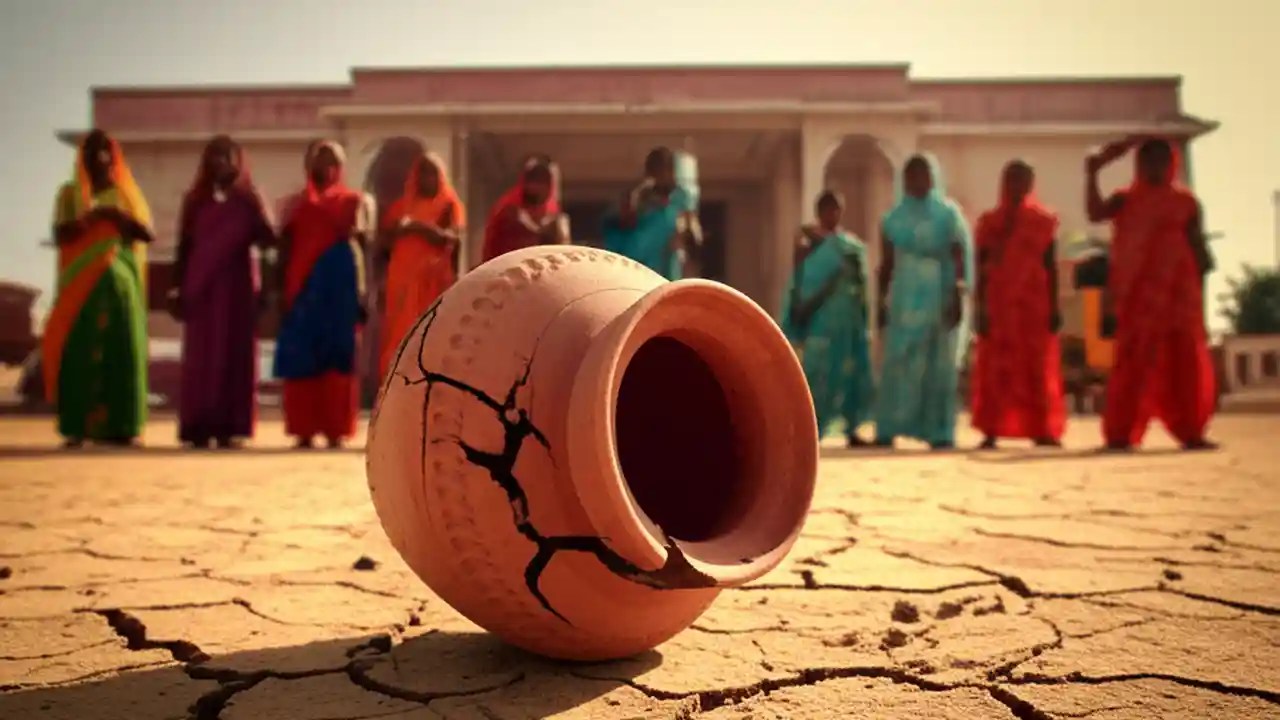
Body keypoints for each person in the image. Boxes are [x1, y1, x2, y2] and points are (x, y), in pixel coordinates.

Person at [1086, 136, 1216, 451]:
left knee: (1184, 362)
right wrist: (1092, 173)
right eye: (1147, 161)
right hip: (1139, 297)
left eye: (1160, 161)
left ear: (1171, 163)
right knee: (1133, 362)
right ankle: (1120, 432)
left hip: (1178, 295)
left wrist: (1202, 304)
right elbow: (1095, 213)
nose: (1154, 168)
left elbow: (1200, 253)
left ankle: (1191, 430)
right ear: (1138, 165)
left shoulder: (1187, 203)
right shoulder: (1125, 200)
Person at [42, 129, 154, 448]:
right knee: (78, 352)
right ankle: (76, 427)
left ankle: (123, 427)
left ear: (114, 156)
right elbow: (61, 234)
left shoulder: (126, 194)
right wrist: (89, 220)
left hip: (121, 288)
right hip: (81, 287)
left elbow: (146, 234)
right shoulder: (69, 194)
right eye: (92, 151)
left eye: (105, 150)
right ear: (83, 158)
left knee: (122, 353)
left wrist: (115, 215)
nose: (100, 157)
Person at [169, 135, 275, 449]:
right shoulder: (195, 200)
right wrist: (176, 287)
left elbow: (269, 240)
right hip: (201, 288)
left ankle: (231, 426)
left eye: (227, 156)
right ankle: (198, 426)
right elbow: (184, 246)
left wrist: (257, 204)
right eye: (215, 156)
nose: (221, 163)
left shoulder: (248, 200)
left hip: (237, 289)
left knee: (234, 355)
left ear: (238, 161)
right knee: (202, 357)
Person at [273, 140, 373, 449]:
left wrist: (364, 294)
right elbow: (283, 249)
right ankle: (303, 430)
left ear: (341, 168)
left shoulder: (354, 202)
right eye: (320, 159)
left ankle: (336, 430)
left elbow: (365, 247)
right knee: (302, 359)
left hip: (340, 289)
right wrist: (278, 292)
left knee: (337, 359)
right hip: (303, 289)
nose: (325, 167)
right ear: (308, 165)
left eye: (332, 161)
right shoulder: (294, 205)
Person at [873, 154, 973, 450]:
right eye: (911, 175)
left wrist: (957, 295)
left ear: (933, 177)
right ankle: (890, 427)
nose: (916, 181)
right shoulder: (893, 218)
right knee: (899, 360)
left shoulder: (948, 215)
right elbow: (886, 264)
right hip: (905, 297)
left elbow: (958, 257)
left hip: (939, 292)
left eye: (922, 174)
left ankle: (939, 430)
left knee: (938, 362)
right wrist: (881, 301)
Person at [970, 160, 1067, 449]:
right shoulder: (989, 223)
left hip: (1033, 305)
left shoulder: (1043, 222)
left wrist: (1055, 305)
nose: (1016, 187)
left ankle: (1042, 429)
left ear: (1031, 184)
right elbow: (980, 266)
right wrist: (979, 307)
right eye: (1012, 180)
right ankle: (991, 429)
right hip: (999, 305)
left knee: (1035, 368)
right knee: (996, 370)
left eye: (1022, 181)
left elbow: (1051, 266)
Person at [779, 190, 875, 447]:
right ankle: (812, 430)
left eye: (836, 210)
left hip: (848, 319)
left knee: (850, 372)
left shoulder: (850, 247)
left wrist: (865, 315)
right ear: (819, 212)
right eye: (827, 210)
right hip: (819, 319)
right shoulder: (807, 245)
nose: (832, 215)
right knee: (818, 373)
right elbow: (799, 279)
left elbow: (861, 282)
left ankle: (851, 428)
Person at [377, 151, 465, 380]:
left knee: (431, 337)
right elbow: (383, 242)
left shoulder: (449, 205)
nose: (427, 178)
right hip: (402, 282)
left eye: (432, 173)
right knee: (400, 336)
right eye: (423, 172)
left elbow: (449, 240)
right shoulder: (400, 207)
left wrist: (416, 227)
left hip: (433, 281)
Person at [602, 147, 702, 279]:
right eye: (660, 169)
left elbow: (692, 236)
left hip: (669, 266)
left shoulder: (679, 201)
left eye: (669, 169)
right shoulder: (639, 198)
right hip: (642, 262)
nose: (667, 175)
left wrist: (684, 235)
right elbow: (625, 233)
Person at [480, 155, 568, 263]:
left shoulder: (551, 208)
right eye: (534, 179)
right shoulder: (510, 205)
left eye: (544, 181)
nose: (537, 186)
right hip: (505, 266)